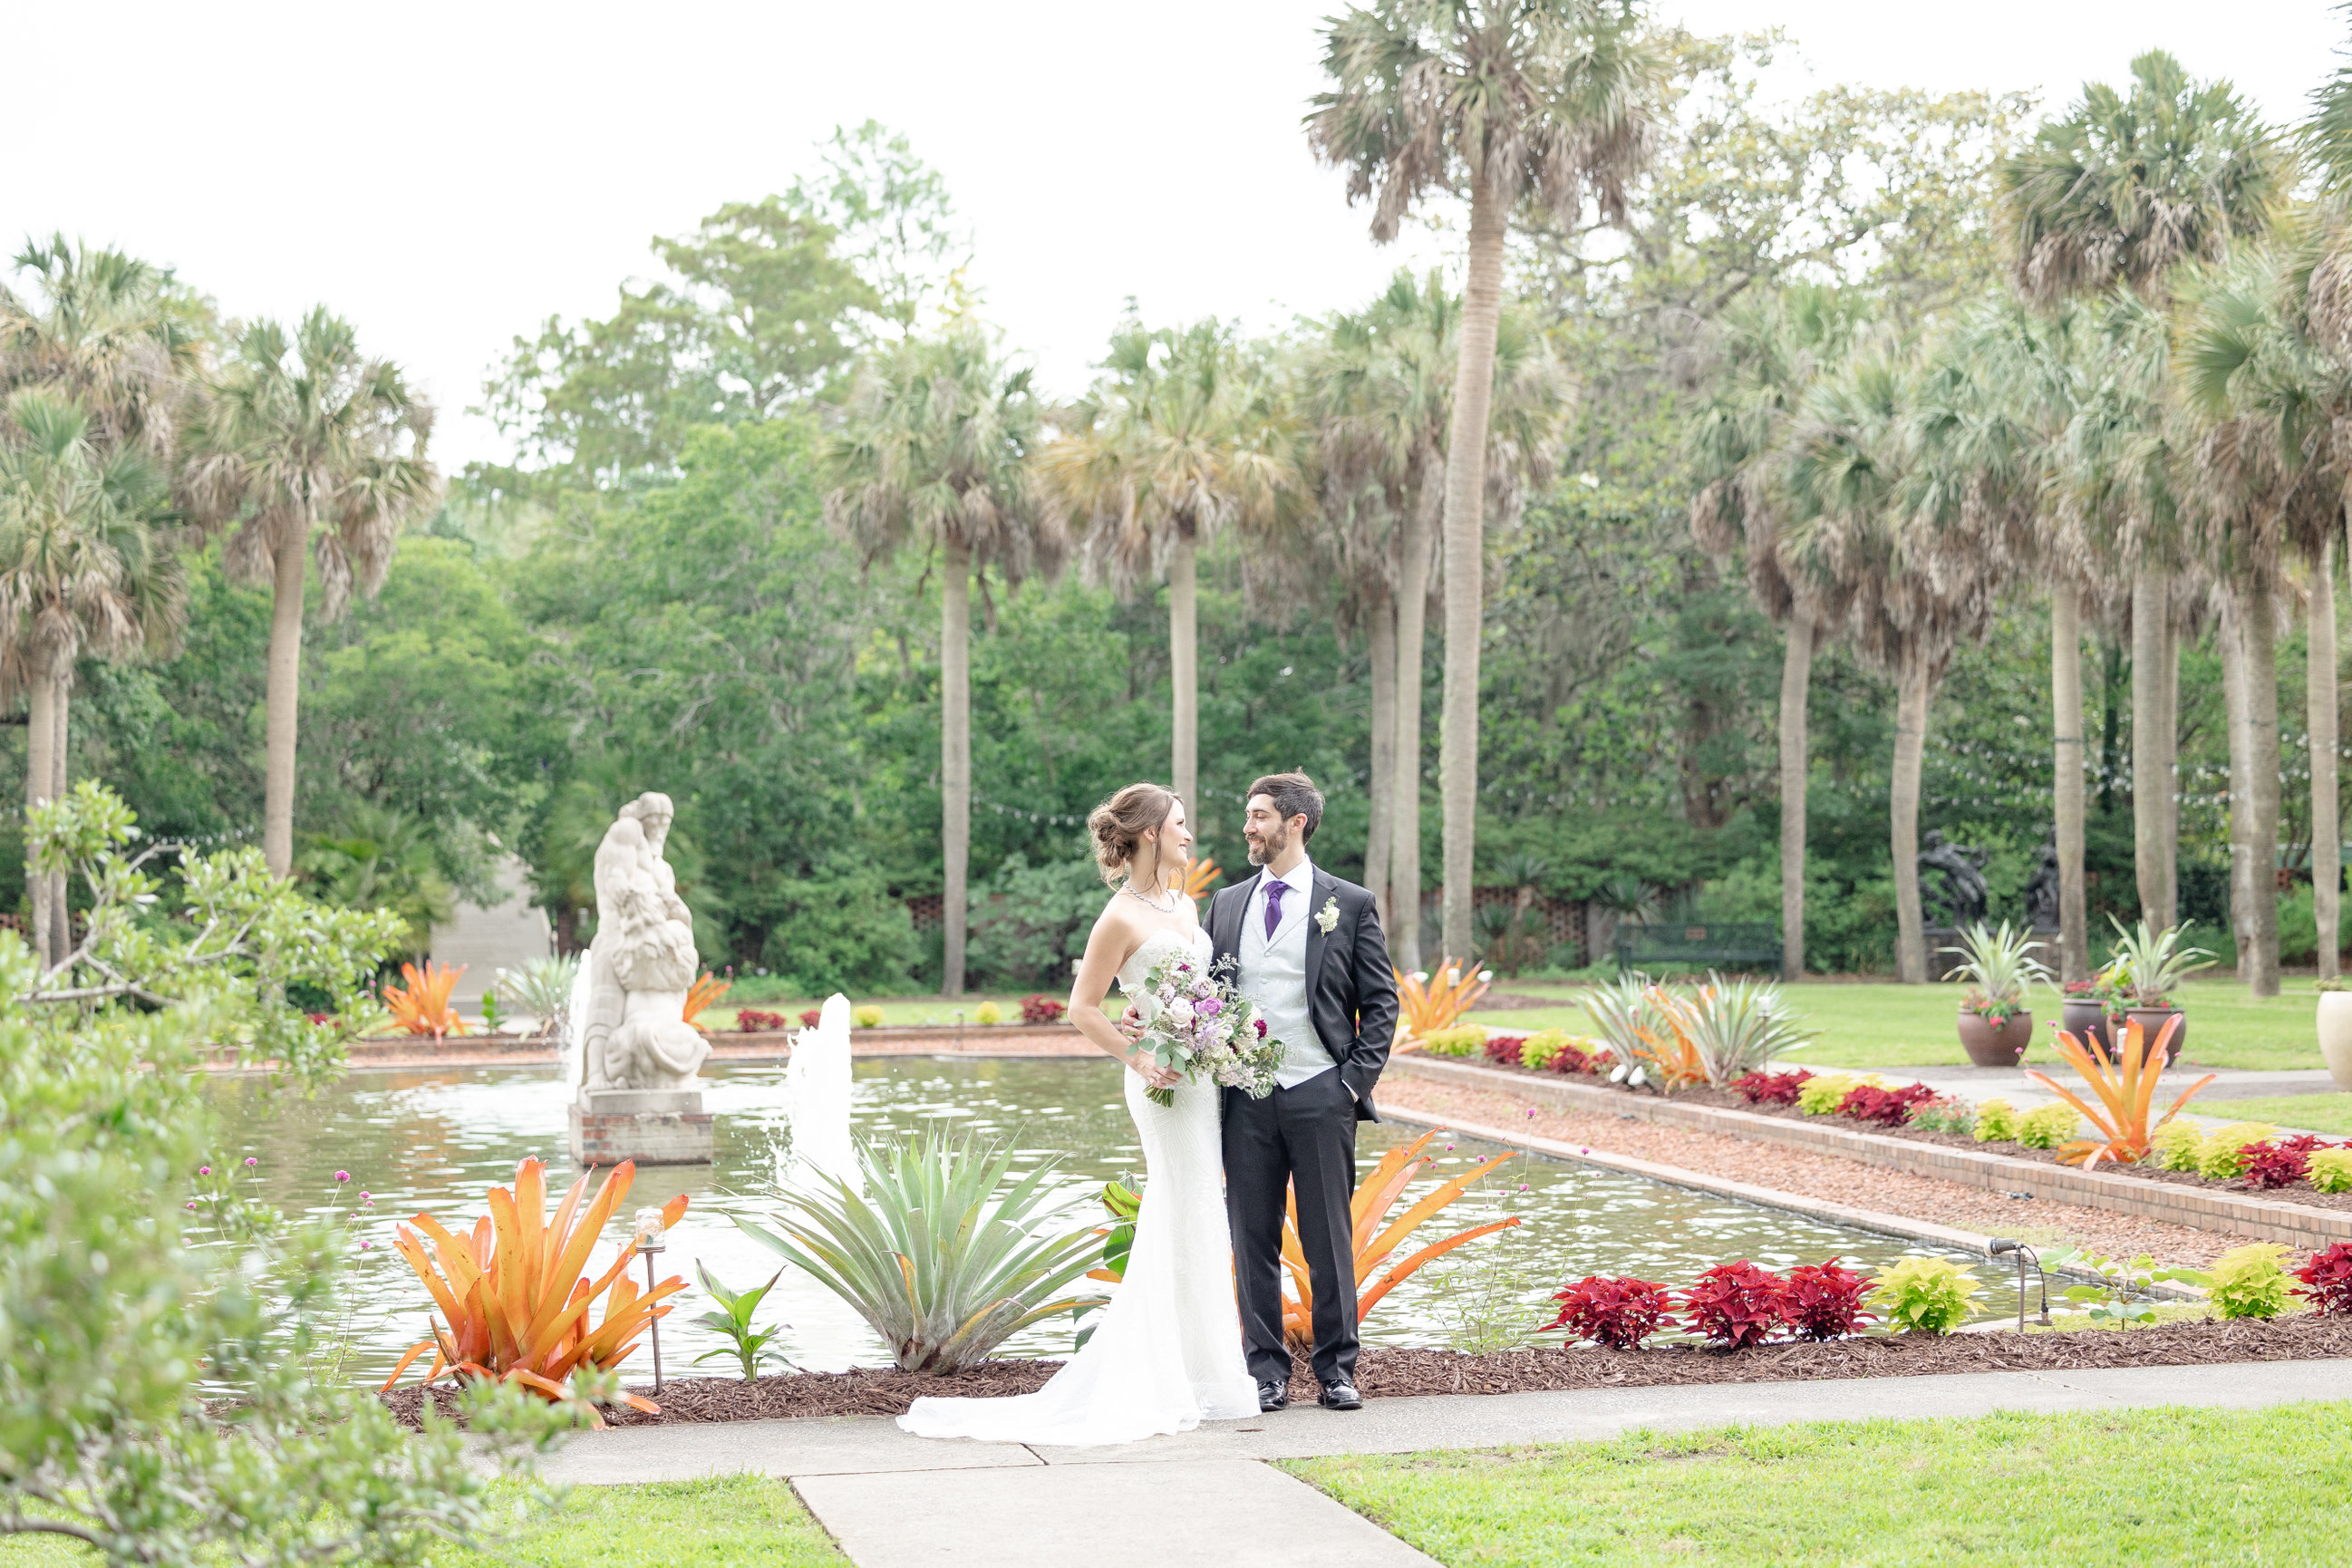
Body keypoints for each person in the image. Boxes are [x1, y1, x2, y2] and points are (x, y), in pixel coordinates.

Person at [897, 783, 1260, 1446]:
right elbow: (1082, 1007)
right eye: (1179, 825)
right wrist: (1138, 1056)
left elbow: (1193, 991)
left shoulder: (1183, 902)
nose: (1188, 835)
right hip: (1158, 1084)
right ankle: (1162, 1374)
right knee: (1177, 1204)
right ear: (1149, 833)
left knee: (1199, 1208)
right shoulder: (1118, 917)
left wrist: (1214, 1032)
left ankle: (1202, 1371)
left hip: (1198, 1081)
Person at [1195, 772, 1398, 1412]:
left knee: (1327, 1238)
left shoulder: (1351, 904)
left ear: (1296, 822)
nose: (1248, 827)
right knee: (1250, 1237)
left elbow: (1381, 1003)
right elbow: (1204, 994)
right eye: (1249, 815)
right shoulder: (1228, 903)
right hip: (1244, 1098)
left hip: (1320, 1092)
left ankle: (1336, 1370)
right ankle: (1265, 1371)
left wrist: (1351, 1084)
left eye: (1259, 815)